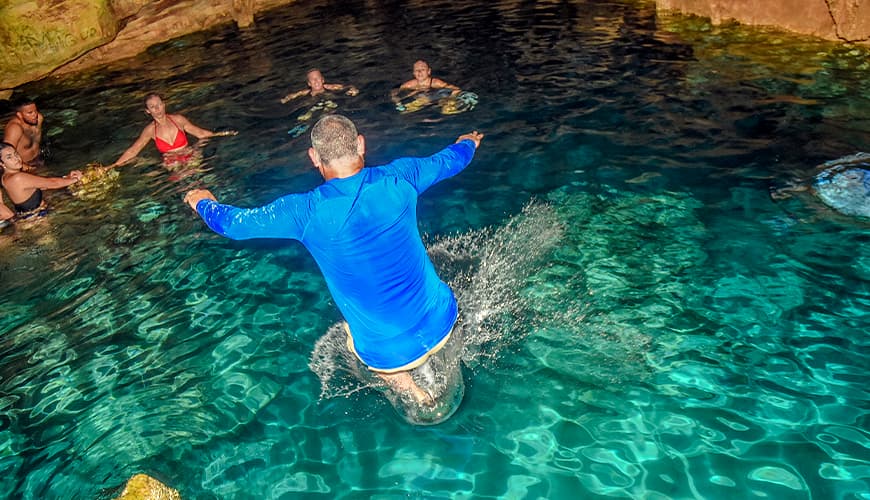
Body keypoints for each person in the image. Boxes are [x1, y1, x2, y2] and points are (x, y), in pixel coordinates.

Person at [184, 115, 483, 419]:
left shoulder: (304, 211)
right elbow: (452, 160)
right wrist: (468, 141)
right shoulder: (402, 175)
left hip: (389, 354)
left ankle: (415, 394)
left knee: (351, 335)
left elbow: (233, 225)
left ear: (314, 157)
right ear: (360, 144)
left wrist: (203, 201)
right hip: (443, 319)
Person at [108, 93, 237, 168]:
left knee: (199, 180)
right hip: (171, 162)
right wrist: (113, 166)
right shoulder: (150, 130)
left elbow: (201, 134)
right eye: (152, 107)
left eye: (159, 104)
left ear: (164, 105)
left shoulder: (178, 120)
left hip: (191, 155)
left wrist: (222, 134)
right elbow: (134, 150)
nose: (157, 109)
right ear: (148, 111)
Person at [0, 142, 81, 218]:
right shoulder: (18, 178)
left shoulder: (5, 178)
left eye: (16, 153)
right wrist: (75, 179)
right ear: (2, 163)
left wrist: (66, 178)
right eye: (9, 157)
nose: (16, 158)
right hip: (40, 220)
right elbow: (52, 183)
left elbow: (40, 185)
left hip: (29, 218)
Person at [391, 59, 460, 107]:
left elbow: (456, 89)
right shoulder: (410, 84)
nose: (419, 72)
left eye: (423, 69)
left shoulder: (435, 83)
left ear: (429, 71)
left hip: (437, 98)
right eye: (417, 70)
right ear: (414, 73)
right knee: (406, 111)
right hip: (421, 99)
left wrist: (452, 97)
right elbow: (395, 91)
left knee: (448, 105)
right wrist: (396, 99)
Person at [3, 98, 44, 170]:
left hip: (39, 159)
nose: (35, 115)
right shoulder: (15, 128)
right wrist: (27, 168)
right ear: (19, 115)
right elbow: (6, 154)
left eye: (35, 111)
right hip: (24, 165)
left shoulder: (39, 119)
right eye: (30, 113)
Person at [280, 69, 359, 103]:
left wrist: (354, 89)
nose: (316, 81)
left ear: (322, 80)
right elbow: (293, 95)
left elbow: (348, 86)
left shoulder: (331, 87)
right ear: (309, 83)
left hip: (329, 103)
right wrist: (286, 99)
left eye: (318, 78)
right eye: (312, 79)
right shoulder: (305, 92)